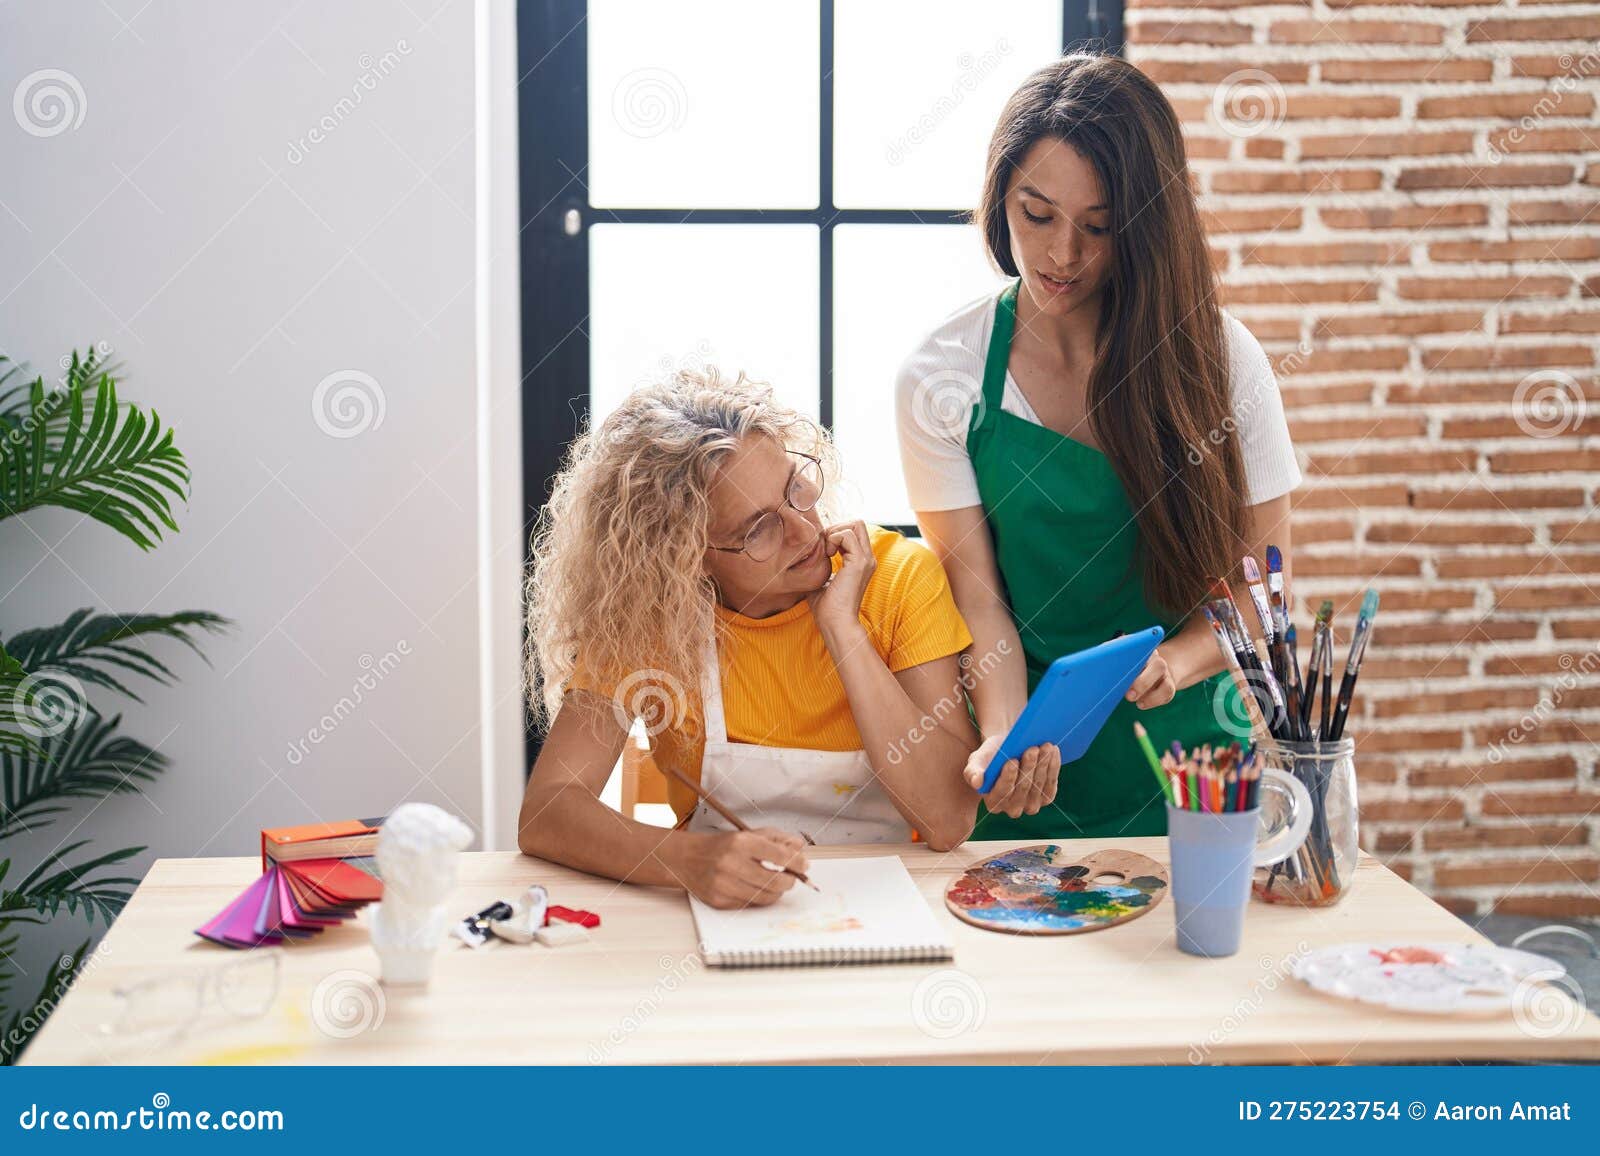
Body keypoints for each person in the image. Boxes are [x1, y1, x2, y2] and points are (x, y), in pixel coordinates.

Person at [895, 54, 1301, 839]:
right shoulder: (941, 377)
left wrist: (1176, 662)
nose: (1061, 256)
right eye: (1036, 214)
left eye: (1099, 226)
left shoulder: (1222, 361)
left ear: (1147, 225)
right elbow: (979, 603)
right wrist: (1005, 737)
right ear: (999, 200)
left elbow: (1264, 591)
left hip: (1192, 766)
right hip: (1030, 762)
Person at [518, 369, 980, 908]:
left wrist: (842, 629)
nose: (805, 533)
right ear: (686, 557)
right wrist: (689, 860)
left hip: (889, 905)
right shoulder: (649, 619)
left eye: (795, 490)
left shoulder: (897, 579)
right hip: (724, 913)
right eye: (759, 529)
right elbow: (548, 812)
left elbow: (949, 819)